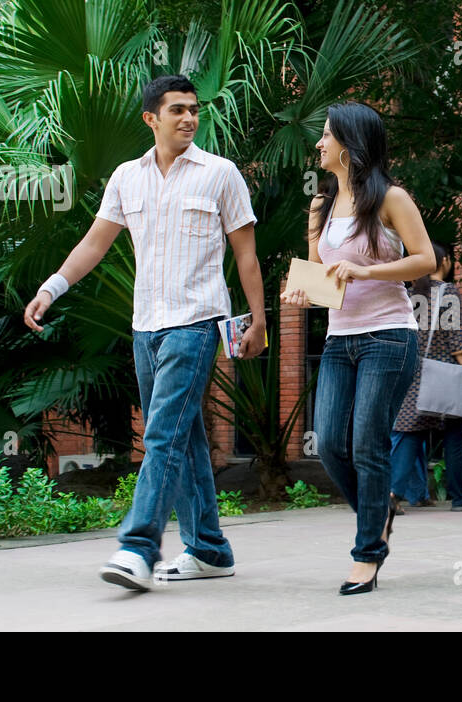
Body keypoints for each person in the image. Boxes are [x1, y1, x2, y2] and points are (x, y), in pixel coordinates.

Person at [23, 75, 267, 590]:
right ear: (150, 118)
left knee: (160, 435)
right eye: (177, 110)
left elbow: (245, 253)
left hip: (197, 323)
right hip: (145, 327)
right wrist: (52, 288)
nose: (189, 118)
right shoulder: (125, 178)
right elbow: (94, 243)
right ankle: (209, 550)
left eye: (194, 110)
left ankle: (137, 548)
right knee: (186, 437)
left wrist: (259, 319)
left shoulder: (220, 174)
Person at [280, 101, 436, 595]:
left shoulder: (391, 199)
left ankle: (367, 553)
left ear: (350, 145)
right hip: (338, 340)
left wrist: (366, 271)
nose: (319, 144)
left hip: (389, 336)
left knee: (368, 443)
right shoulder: (319, 207)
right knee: (328, 443)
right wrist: (301, 292)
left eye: (326, 136)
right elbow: (322, 280)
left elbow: (426, 260)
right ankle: (381, 509)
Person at [390, 243, 462, 512]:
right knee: (454, 436)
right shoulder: (449, 293)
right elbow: (457, 340)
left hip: (413, 374)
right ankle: (460, 499)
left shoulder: (408, 295)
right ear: (443, 262)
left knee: (410, 434)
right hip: (444, 374)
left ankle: (392, 494)